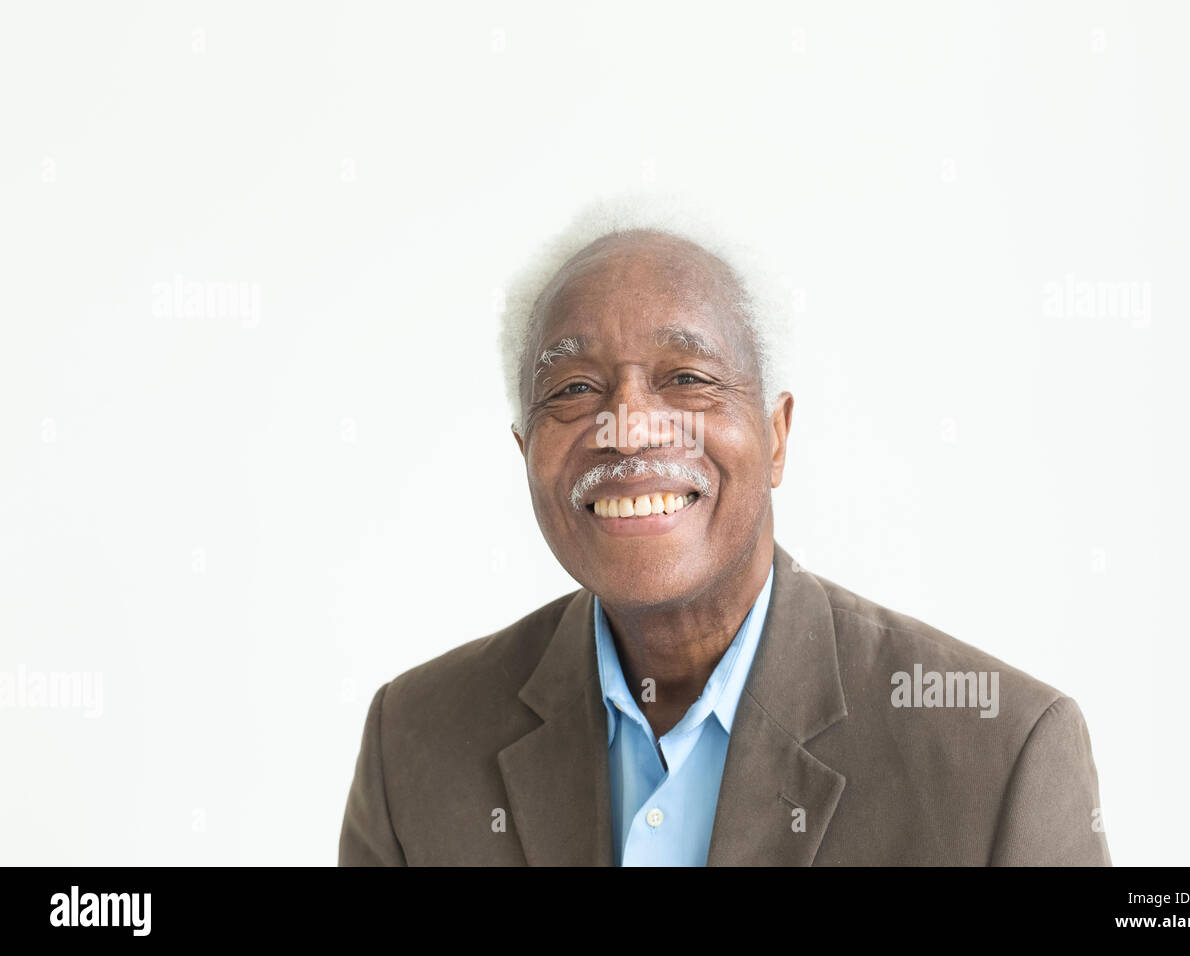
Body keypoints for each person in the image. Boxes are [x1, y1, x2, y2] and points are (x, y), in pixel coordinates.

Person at [339, 195, 1111, 866]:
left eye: (688, 377)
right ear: (525, 452)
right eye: (573, 389)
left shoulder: (1000, 755)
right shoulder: (413, 745)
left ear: (775, 436)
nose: (630, 426)